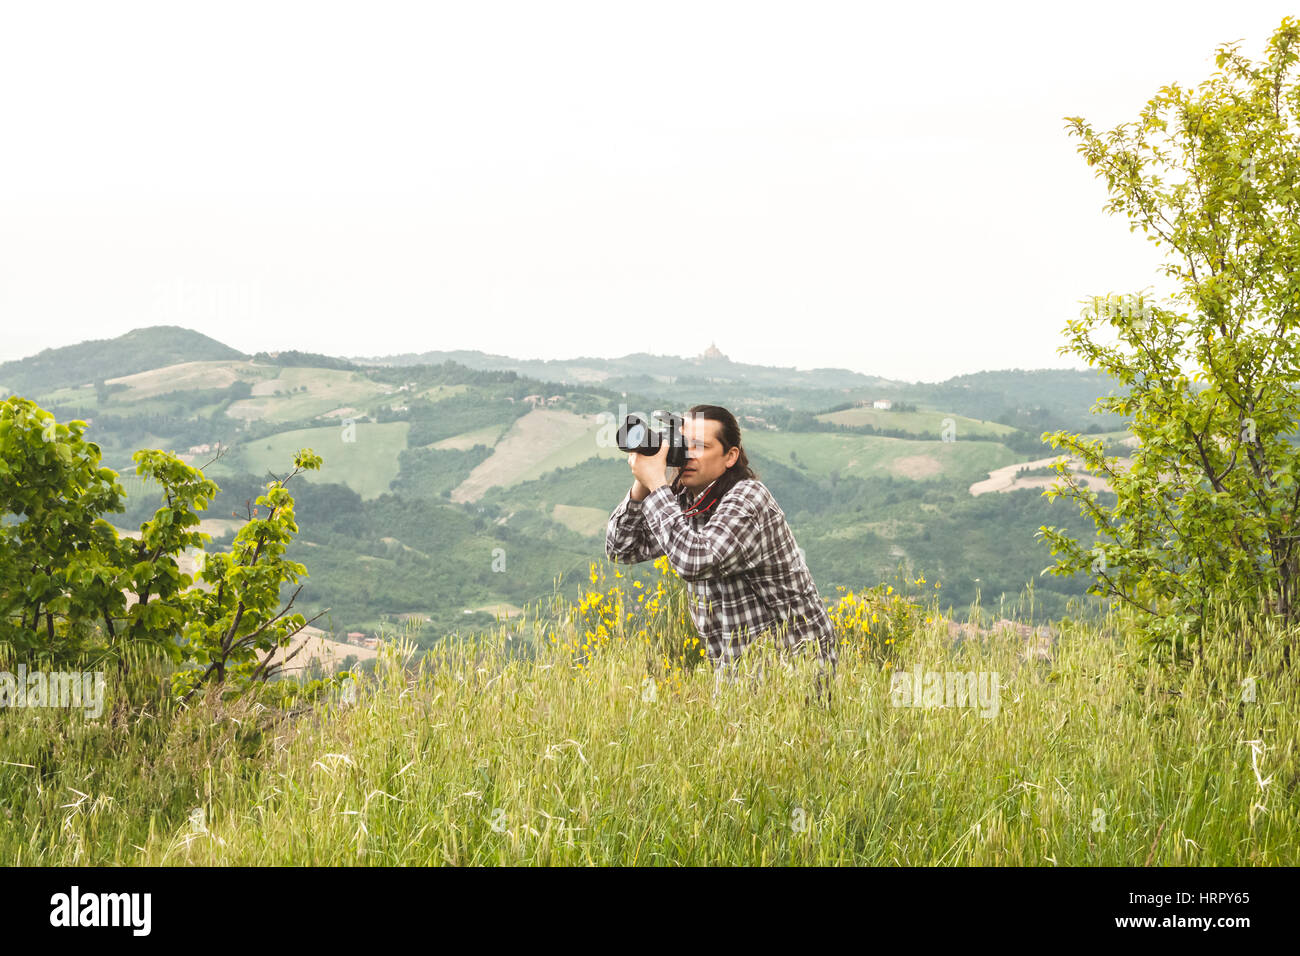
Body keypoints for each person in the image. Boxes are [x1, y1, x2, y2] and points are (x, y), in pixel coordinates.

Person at [605, 404, 836, 705]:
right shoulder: (687, 498)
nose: (687, 454)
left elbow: (695, 560)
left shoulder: (748, 498)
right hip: (737, 674)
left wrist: (657, 485)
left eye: (699, 446)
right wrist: (643, 483)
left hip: (795, 669)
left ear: (730, 456)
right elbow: (621, 548)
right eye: (683, 443)